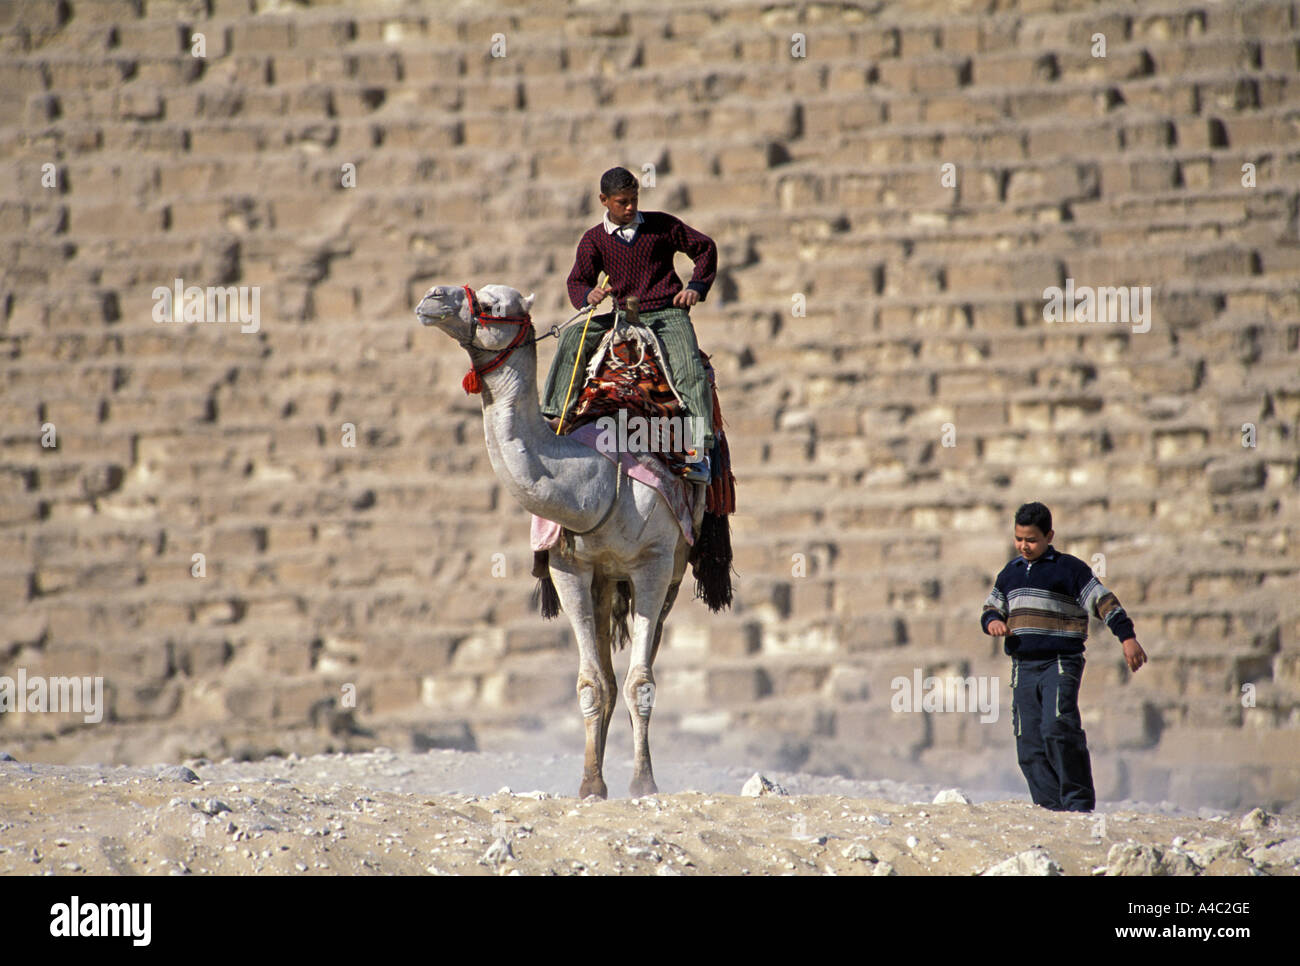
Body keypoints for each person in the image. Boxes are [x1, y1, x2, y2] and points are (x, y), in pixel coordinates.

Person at [540, 166, 718, 482]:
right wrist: (587, 295)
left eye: (634, 199)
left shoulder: (663, 226)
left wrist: (696, 287)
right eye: (622, 201)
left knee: (689, 369)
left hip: (666, 312)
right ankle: (557, 414)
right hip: (622, 314)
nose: (631, 207)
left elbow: (705, 249)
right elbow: (577, 280)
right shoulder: (594, 240)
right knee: (572, 337)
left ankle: (699, 452)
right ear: (604, 200)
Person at [980, 501, 1148, 812]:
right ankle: (1051, 809)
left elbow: (1103, 601)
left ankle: (1078, 805)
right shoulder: (1010, 573)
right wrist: (993, 622)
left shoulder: (1069, 569)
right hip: (1023, 667)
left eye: (1031, 540)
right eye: (1018, 539)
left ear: (1049, 536)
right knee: (1028, 742)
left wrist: (1127, 637)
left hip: (1059, 662)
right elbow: (992, 607)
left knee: (1058, 727)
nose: (1023, 546)